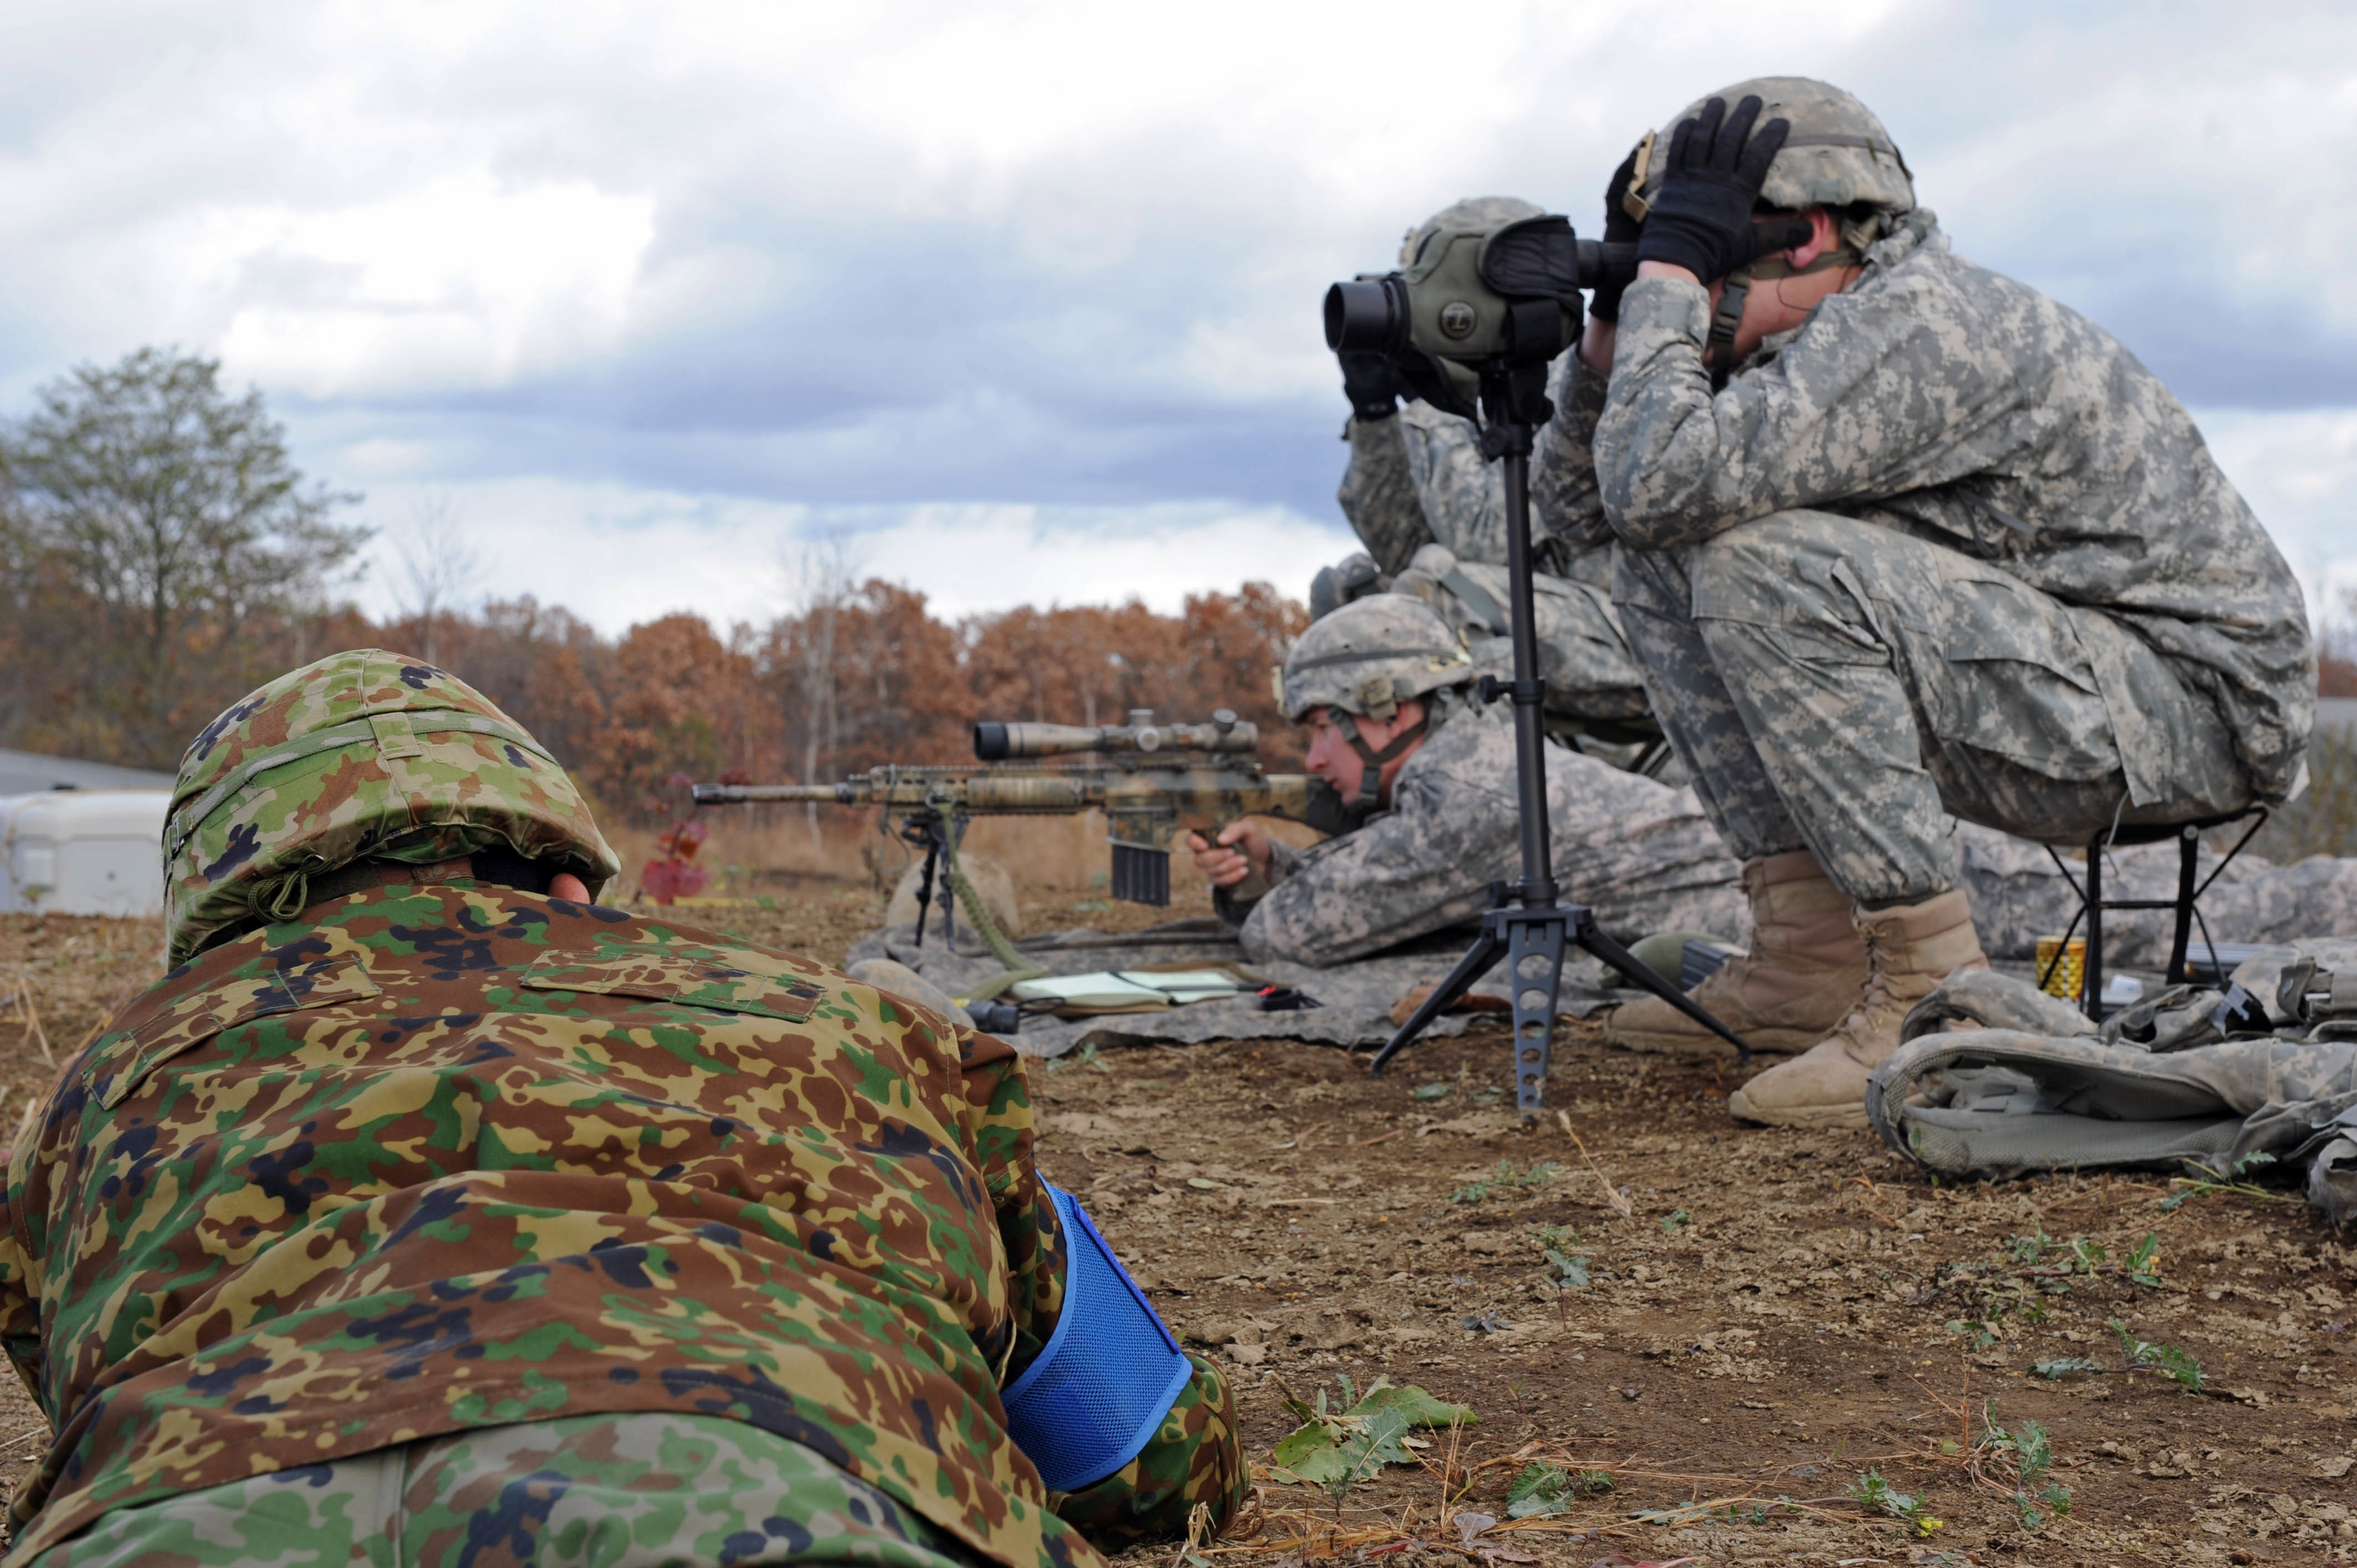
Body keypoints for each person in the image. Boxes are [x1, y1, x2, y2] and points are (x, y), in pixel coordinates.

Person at [0, 650, 1242, 1568]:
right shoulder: (854, 1029)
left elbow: (84, 1382)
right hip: (785, 1497)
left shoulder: (99, 1098)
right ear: (563, 879)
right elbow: (1147, 1453)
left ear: (216, 940)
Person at [1533, 76, 2316, 1127]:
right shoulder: (1820, 334)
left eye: (1707, 249)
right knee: (1663, 563)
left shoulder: (1913, 327)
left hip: (2192, 710)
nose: (1683, 284)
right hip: (2093, 683)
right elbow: (1592, 519)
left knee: (1761, 561)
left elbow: (1656, 480)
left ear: (1805, 235)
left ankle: (1929, 994)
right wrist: (1611, 337)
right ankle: (1807, 958)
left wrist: (1669, 278)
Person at [1188, 594, 1747, 968]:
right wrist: (1269, 866)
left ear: (1389, 713)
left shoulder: (1463, 797)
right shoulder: (1477, 759)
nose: (1312, 760)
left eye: (1319, 729)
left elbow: (1284, 936)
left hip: (1753, 941)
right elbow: (1374, 873)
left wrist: (1270, 891)